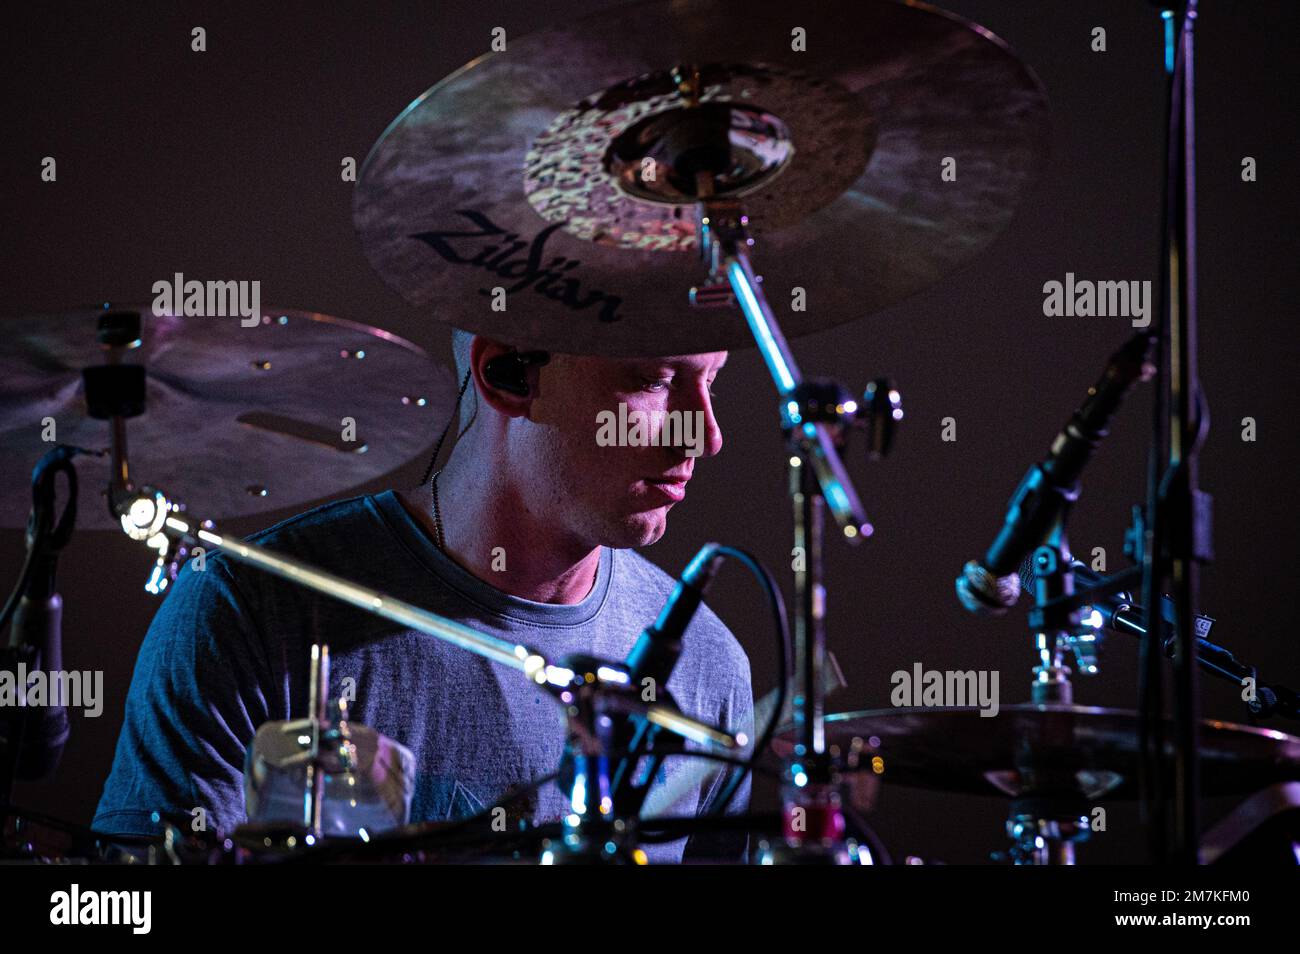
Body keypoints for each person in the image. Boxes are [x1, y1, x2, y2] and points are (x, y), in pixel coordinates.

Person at [93, 329, 753, 862]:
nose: (706, 434)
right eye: (654, 380)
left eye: (712, 382)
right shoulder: (252, 608)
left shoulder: (707, 666)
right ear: (508, 375)